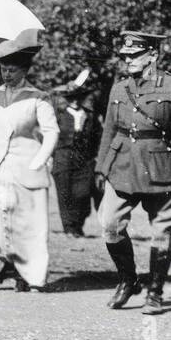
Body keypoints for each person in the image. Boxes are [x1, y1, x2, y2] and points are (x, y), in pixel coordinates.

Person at [97, 32, 171, 314]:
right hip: (123, 167)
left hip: (163, 167)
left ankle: (154, 292)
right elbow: (109, 129)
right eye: (125, 55)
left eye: (134, 55)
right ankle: (128, 280)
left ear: (153, 55)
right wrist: (101, 167)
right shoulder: (119, 88)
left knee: (162, 233)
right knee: (110, 225)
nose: (127, 60)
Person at [0, 30, 59, 293]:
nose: (7, 75)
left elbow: (51, 131)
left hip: (25, 165)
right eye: (3, 70)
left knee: (27, 223)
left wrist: (41, 159)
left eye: (12, 70)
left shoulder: (37, 97)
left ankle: (31, 275)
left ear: (24, 70)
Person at [51, 81, 101, 236]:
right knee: (65, 194)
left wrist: (96, 155)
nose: (75, 100)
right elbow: (49, 135)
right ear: (67, 98)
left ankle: (78, 224)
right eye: (72, 97)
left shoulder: (90, 115)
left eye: (78, 97)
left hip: (85, 159)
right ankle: (69, 227)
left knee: (83, 194)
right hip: (63, 158)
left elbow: (98, 136)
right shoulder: (58, 115)